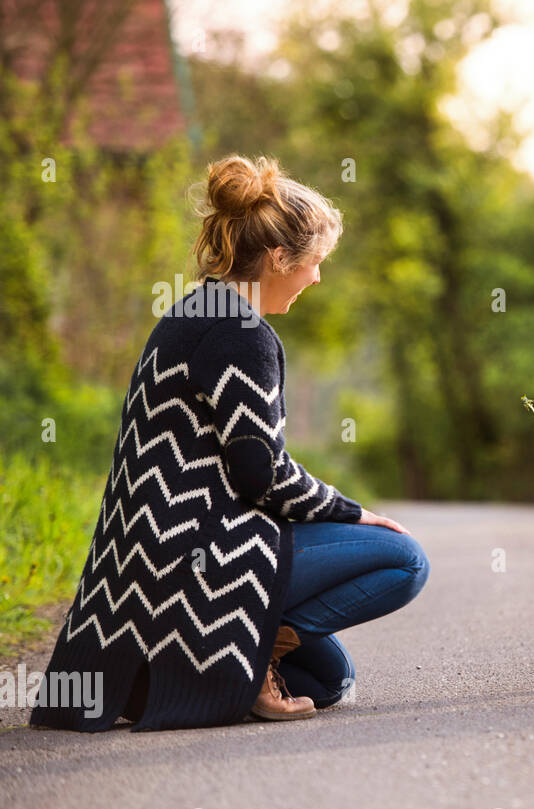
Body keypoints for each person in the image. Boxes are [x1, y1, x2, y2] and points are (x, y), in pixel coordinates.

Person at [29, 154, 428, 731]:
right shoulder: (240, 334)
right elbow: (260, 474)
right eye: (315, 262)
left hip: (149, 569)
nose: (317, 277)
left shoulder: (194, 311)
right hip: (201, 558)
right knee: (404, 559)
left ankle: (162, 671)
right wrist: (354, 512)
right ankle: (229, 659)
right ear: (277, 258)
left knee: (329, 681)